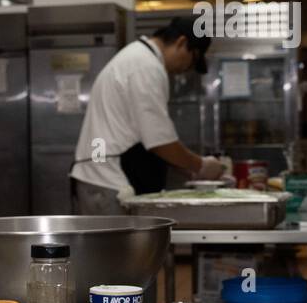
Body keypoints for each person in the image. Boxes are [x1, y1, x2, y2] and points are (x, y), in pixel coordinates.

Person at [69, 15, 224, 214]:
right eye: (192, 60)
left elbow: (146, 137)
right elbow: (160, 142)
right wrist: (201, 165)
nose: (186, 69)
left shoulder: (137, 58)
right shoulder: (146, 67)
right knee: (112, 246)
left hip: (100, 175)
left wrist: (188, 168)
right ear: (181, 43)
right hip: (108, 182)